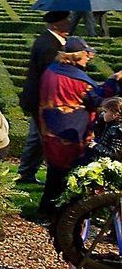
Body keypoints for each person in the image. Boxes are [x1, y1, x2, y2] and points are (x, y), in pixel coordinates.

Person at [38, 37, 121, 213]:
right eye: (86, 53)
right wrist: (115, 81)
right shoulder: (78, 81)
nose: (89, 57)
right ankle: (63, 212)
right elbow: (97, 100)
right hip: (72, 133)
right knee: (69, 177)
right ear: (76, 55)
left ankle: (46, 209)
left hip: (50, 130)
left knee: (54, 174)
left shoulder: (51, 71)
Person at [17, 11, 71, 184]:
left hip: (37, 98)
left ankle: (26, 173)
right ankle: (52, 176)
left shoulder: (47, 40)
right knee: (46, 138)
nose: (69, 23)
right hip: (42, 100)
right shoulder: (50, 45)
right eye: (65, 20)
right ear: (56, 24)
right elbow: (50, 76)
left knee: (36, 138)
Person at [85, 96, 122, 162]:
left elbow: (116, 155)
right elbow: (98, 134)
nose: (102, 114)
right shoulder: (109, 124)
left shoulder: (118, 130)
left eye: (105, 111)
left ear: (115, 115)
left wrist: (96, 146)